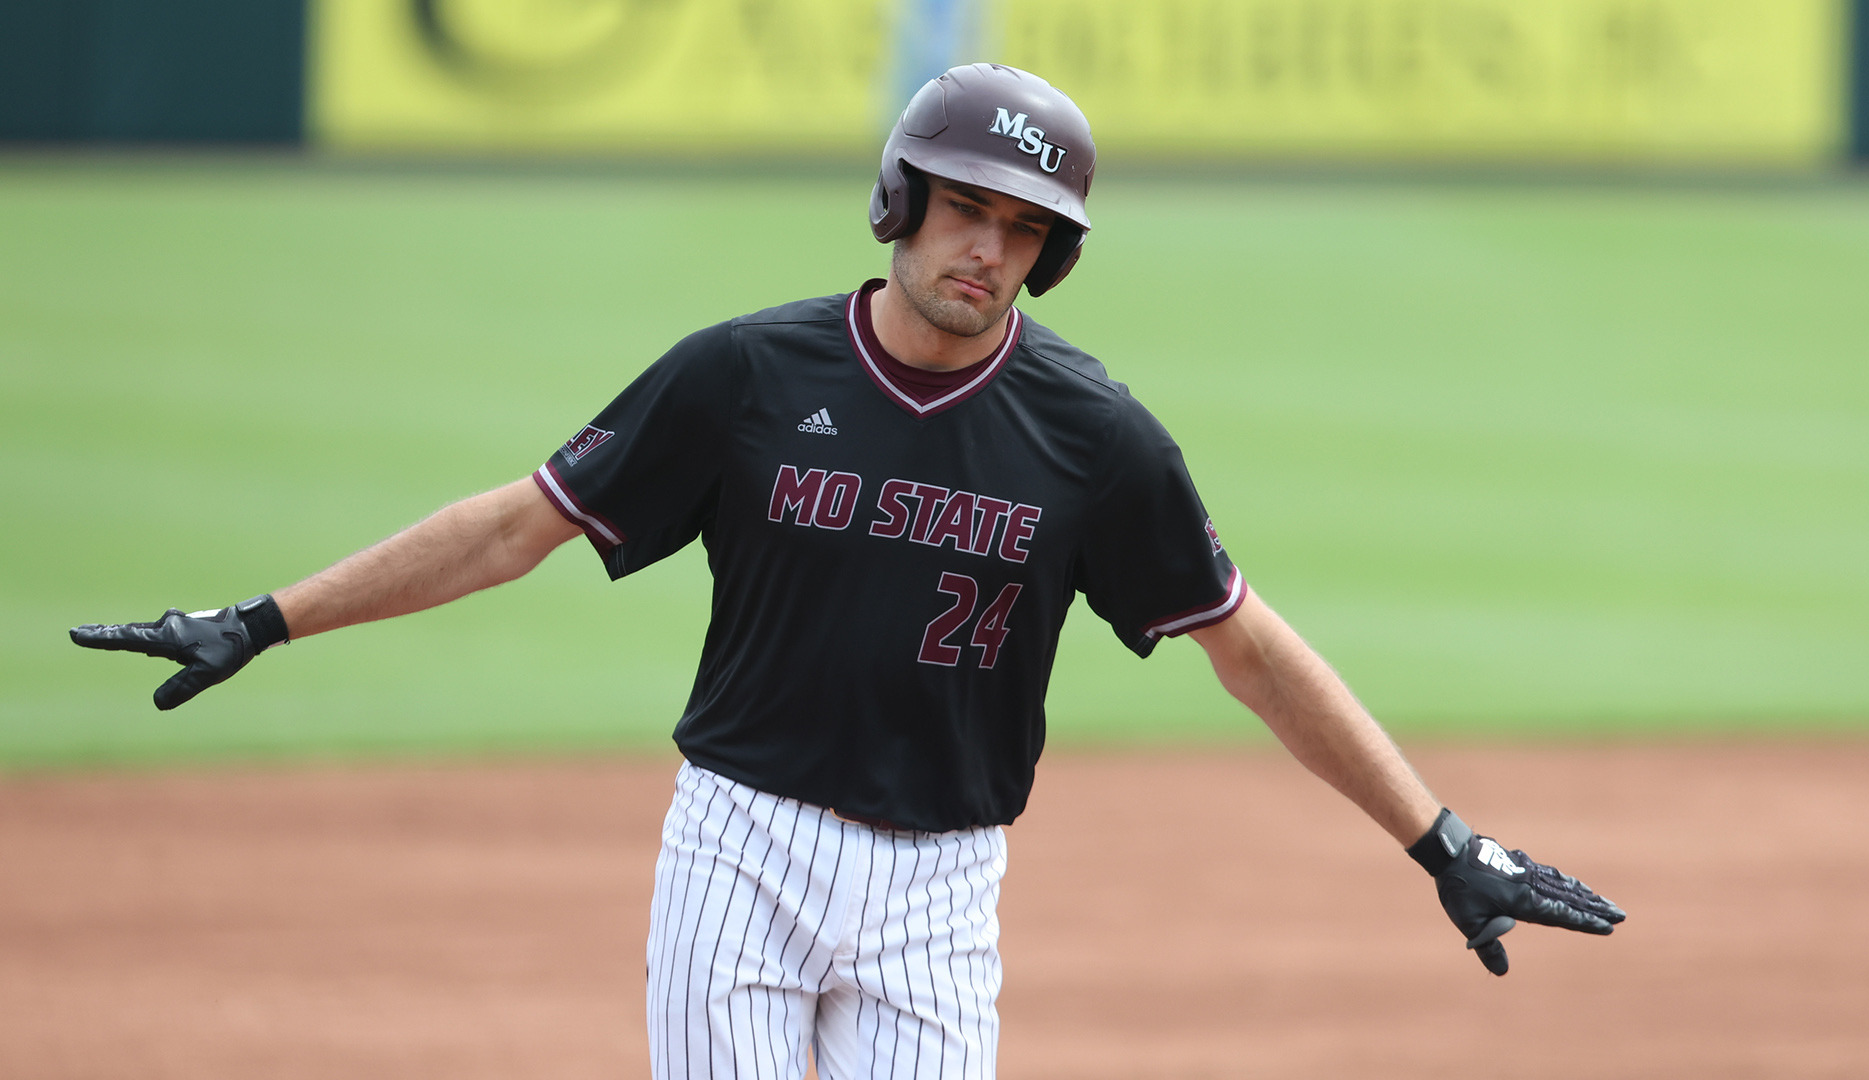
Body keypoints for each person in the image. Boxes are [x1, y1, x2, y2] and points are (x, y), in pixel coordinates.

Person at [71, 63, 1623, 1080]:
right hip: (739, 854)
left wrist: (1442, 841)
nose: (989, 251)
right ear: (901, 203)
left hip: (945, 889)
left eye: (1026, 230)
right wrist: (265, 621)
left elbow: (1247, 646)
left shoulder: (1098, 439)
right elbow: (517, 524)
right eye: (965, 210)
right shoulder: (742, 374)